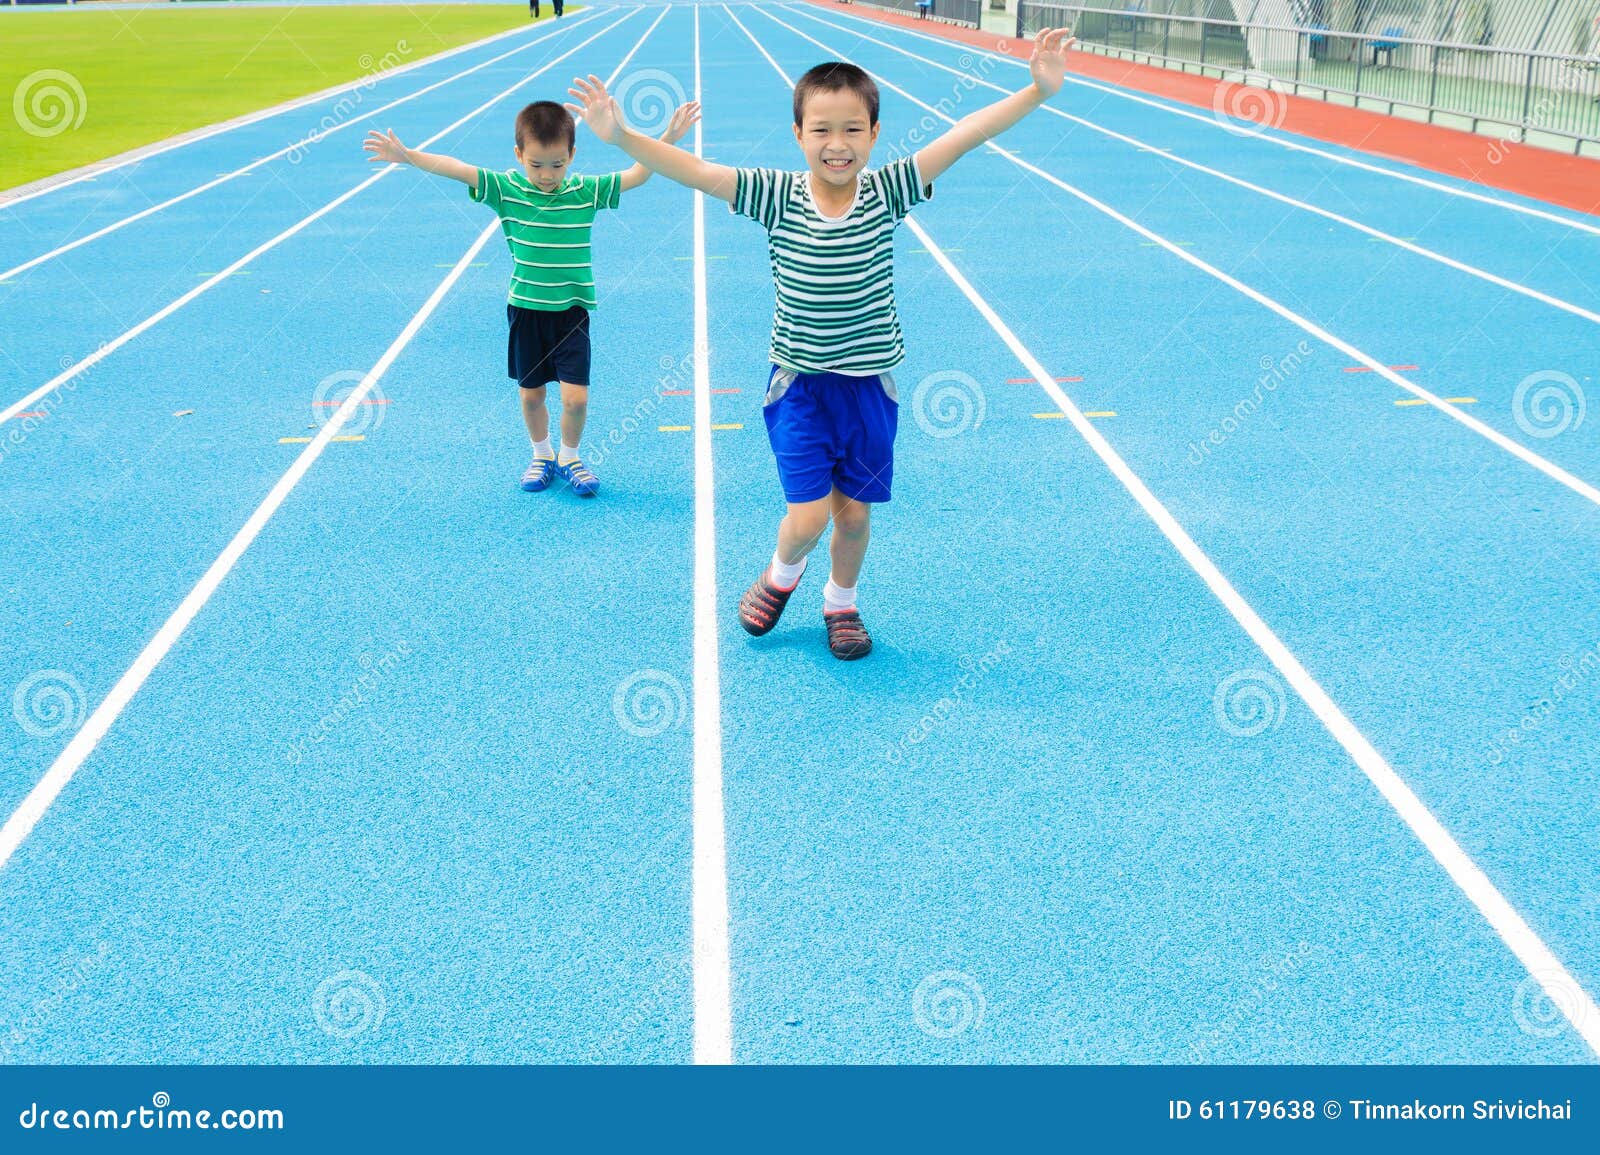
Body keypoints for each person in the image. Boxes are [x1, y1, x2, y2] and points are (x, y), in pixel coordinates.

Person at [567, 30, 1075, 657]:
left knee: (855, 519)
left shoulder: (888, 190)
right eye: (822, 130)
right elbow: (696, 171)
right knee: (807, 519)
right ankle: (782, 576)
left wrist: (1037, 91)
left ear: (875, 133)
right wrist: (620, 138)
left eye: (853, 130)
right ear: (799, 134)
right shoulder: (776, 195)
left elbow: (965, 133)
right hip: (800, 388)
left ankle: (841, 602)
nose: (838, 145)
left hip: (868, 389)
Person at [363, 99, 699, 496]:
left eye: (557, 164)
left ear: (572, 155)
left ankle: (569, 457)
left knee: (575, 400)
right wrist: (408, 157)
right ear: (519, 155)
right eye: (536, 164)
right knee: (532, 396)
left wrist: (668, 139)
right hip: (526, 312)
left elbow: (638, 174)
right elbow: (456, 169)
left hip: (571, 314)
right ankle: (541, 454)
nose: (546, 175)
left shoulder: (586, 191)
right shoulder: (506, 189)